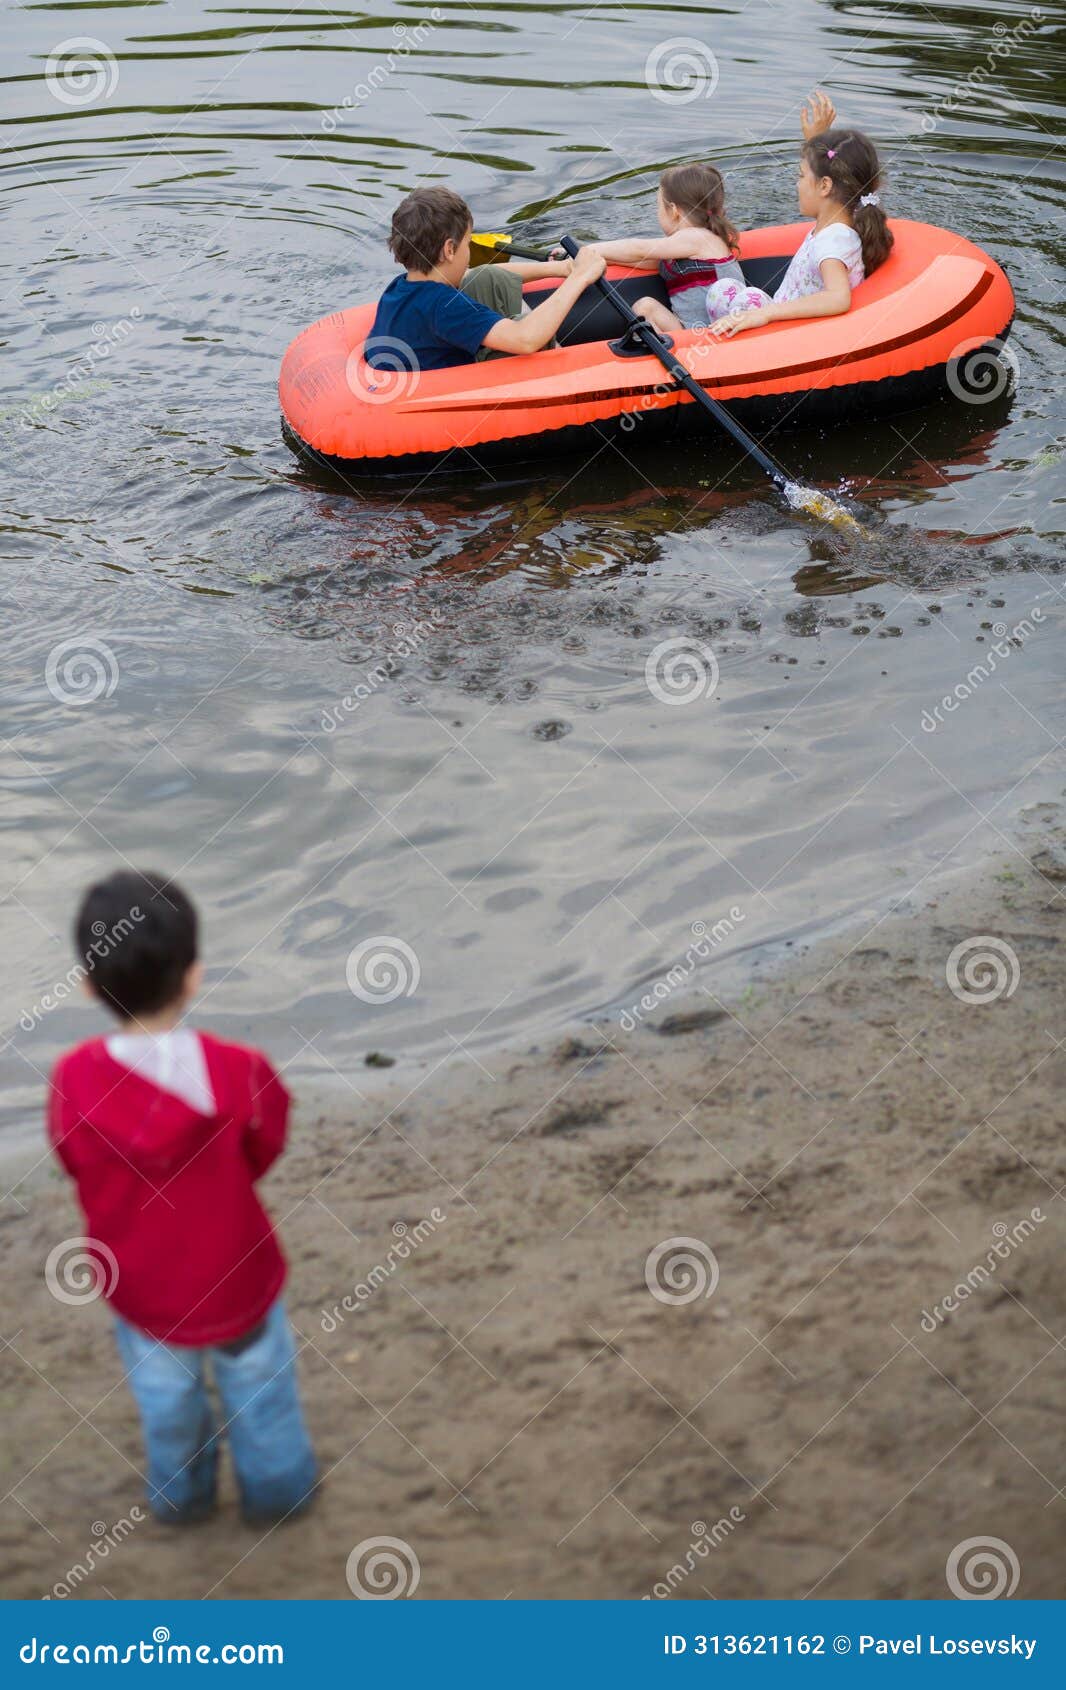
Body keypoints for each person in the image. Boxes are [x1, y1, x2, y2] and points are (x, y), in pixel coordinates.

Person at [46, 870, 316, 1527]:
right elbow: (265, 1143)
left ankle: (183, 1501)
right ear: (194, 974)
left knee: (166, 1403)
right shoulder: (239, 1067)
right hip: (238, 1274)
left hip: (144, 1288)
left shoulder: (75, 1081)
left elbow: (74, 1158)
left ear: (87, 984)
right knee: (263, 1397)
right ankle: (278, 1498)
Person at [365, 185, 606, 372]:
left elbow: (473, 274)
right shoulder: (446, 306)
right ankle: (573, 373)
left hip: (423, 364)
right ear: (449, 250)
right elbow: (526, 339)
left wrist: (563, 269)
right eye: (467, 244)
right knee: (526, 323)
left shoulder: (400, 286)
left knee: (486, 276)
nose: (469, 253)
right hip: (455, 391)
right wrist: (581, 278)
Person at [706, 123, 893, 335]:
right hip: (784, 318)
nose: (797, 184)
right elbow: (836, 167)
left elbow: (838, 298)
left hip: (789, 333)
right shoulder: (839, 224)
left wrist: (765, 313)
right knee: (723, 289)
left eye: (801, 175)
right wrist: (816, 141)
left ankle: (722, 350)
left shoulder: (834, 239)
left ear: (824, 186)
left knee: (746, 299)